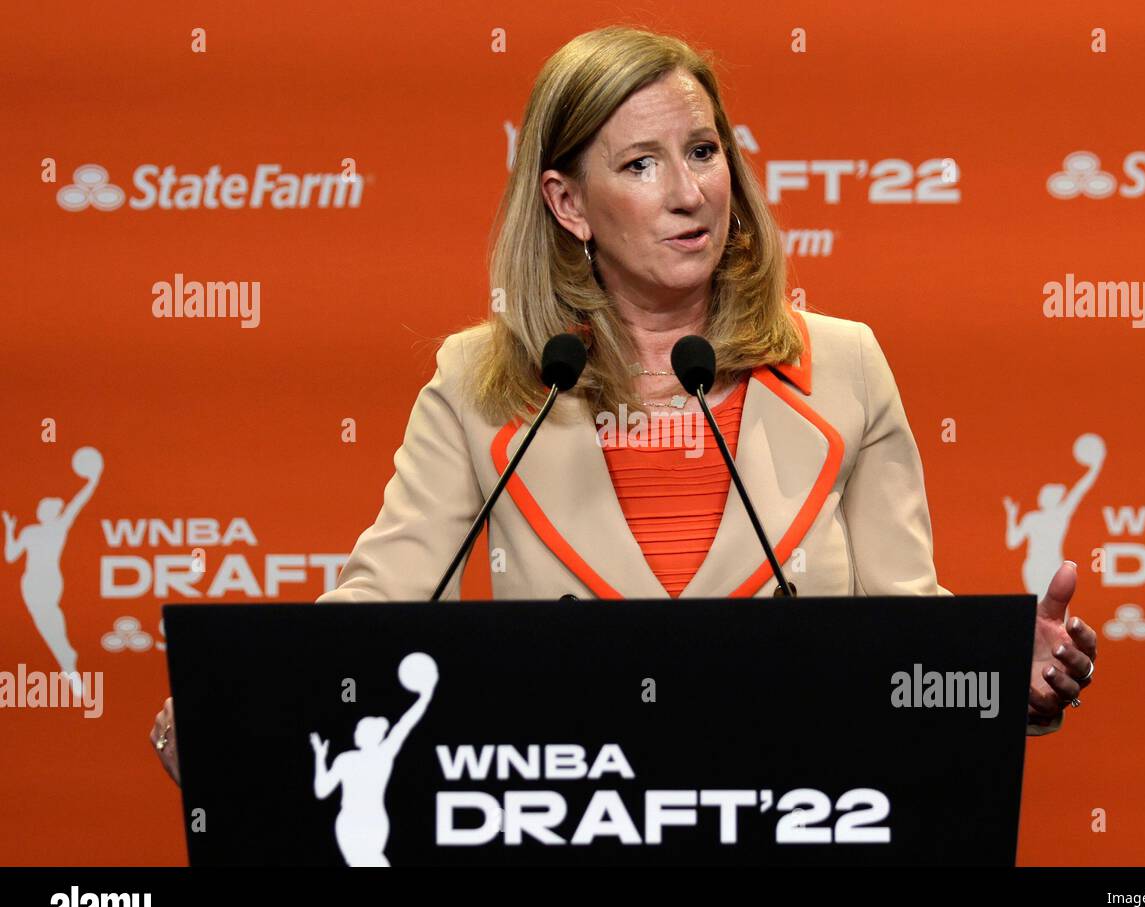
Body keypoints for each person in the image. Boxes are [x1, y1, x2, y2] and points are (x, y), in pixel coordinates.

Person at [150, 25, 1095, 784]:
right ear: (567, 204)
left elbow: (906, 634)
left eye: (703, 150)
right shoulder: (485, 381)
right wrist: (242, 713)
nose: (691, 194)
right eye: (641, 165)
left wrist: (1005, 678)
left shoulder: (843, 366)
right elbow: (375, 614)